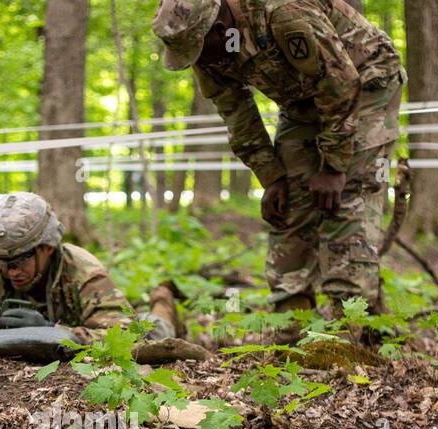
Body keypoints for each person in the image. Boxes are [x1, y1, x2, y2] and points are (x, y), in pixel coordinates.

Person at [153, 0, 405, 318]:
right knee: (288, 206)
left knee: (345, 197)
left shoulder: (283, 13)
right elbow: (236, 113)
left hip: (366, 82)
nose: (200, 60)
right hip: (302, 96)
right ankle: (291, 319)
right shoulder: (207, 45)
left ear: (218, 30)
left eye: (200, 50)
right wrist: (271, 177)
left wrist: (333, 167)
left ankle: (352, 322)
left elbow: (340, 84)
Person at [0, 192, 176, 341]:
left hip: (120, 322)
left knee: (157, 329)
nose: (12, 272)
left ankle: (162, 295)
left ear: (47, 248)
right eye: (4, 263)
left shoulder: (83, 272)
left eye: (21, 260)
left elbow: (121, 335)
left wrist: (52, 330)